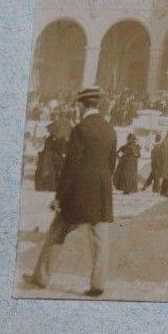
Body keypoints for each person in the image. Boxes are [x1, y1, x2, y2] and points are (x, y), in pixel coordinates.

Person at [25, 87, 117, 297]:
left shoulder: (81, 129)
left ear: (82, 105)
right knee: (100, 240)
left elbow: (71, 167)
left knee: (57, 233)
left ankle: (41, 277)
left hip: (78, 193)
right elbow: (112, 163)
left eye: (78, 105)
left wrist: (60, 196)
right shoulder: (109, 129)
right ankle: (98, 285)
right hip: (101, 193)